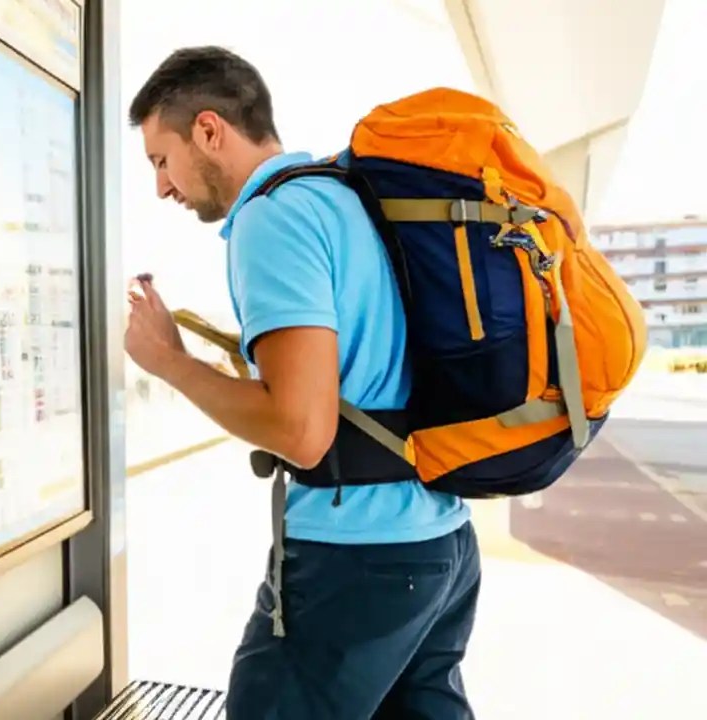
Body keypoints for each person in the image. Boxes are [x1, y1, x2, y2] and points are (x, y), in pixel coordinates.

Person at [123, 46, 482, 719]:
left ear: (208, 130)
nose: (162, 187)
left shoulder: (272, 218)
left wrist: (170, 360)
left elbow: (301, 431)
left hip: (359, 562)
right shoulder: (341, 197)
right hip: (441, 544)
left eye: (159, 160)